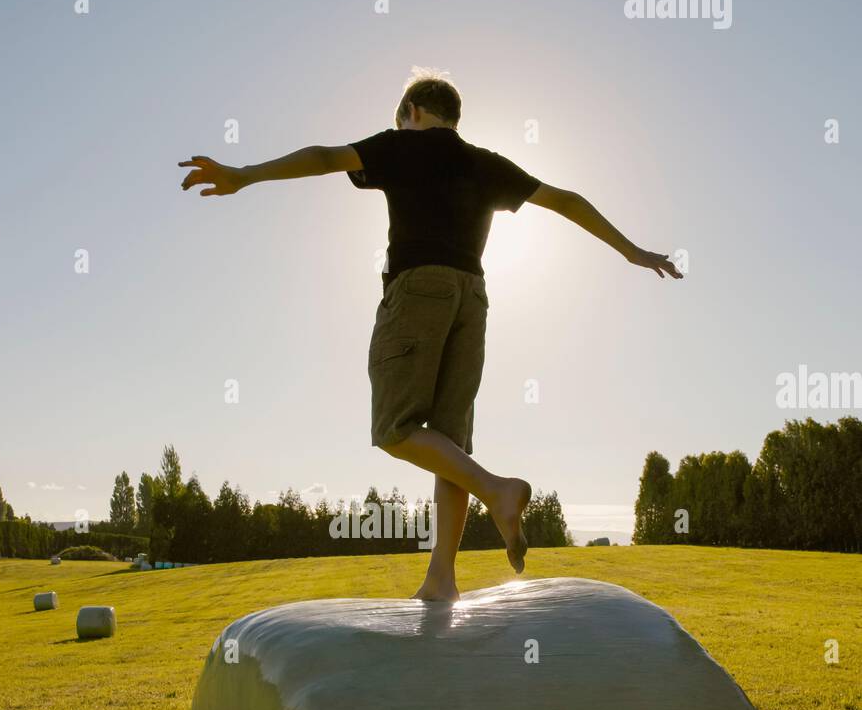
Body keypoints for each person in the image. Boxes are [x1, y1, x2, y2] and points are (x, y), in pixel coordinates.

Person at [179, 69, 682, 601]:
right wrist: (633, 252)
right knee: (449, 442)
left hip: (419, 289)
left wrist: (244, 174)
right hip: (474, 298)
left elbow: (326, 157)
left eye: (400, 118)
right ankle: (442, 576)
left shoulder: (403, 145)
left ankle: (498, 490)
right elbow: (567, 199)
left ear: (413, 112)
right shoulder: (485, 163)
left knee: (394, 429)